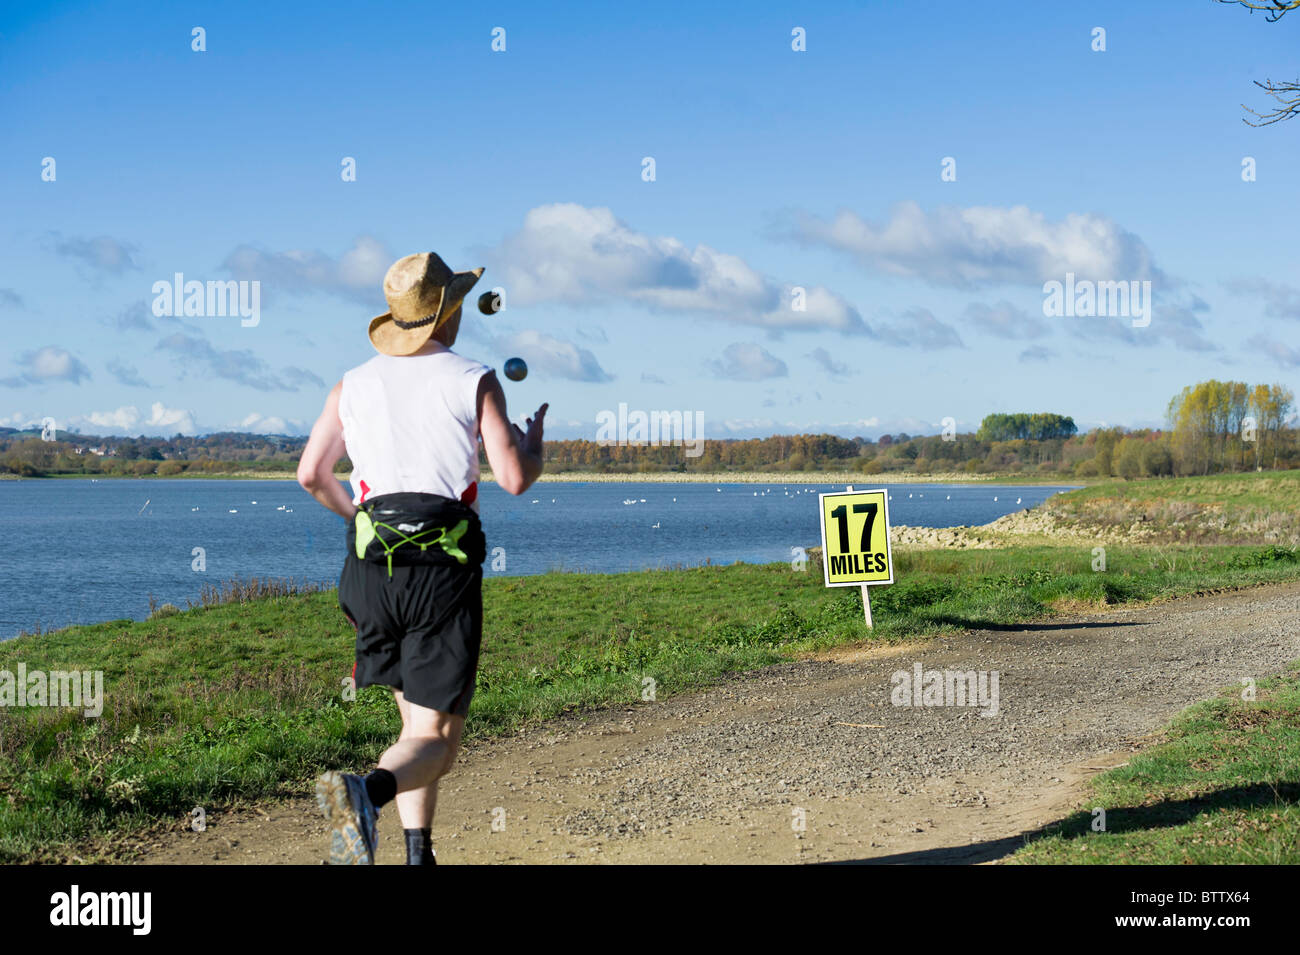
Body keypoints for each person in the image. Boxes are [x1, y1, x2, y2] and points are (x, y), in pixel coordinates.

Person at [297, 251, 546, 865]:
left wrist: (361, 519)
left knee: (416, 729)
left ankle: (418, 855)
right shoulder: (473, 378)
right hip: (441, 570)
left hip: (370, 571)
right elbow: (513, 478)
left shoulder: (351, 383)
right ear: (447, 314)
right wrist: (533, 446)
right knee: (439, 741)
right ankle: (365, 791)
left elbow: (311, 474)